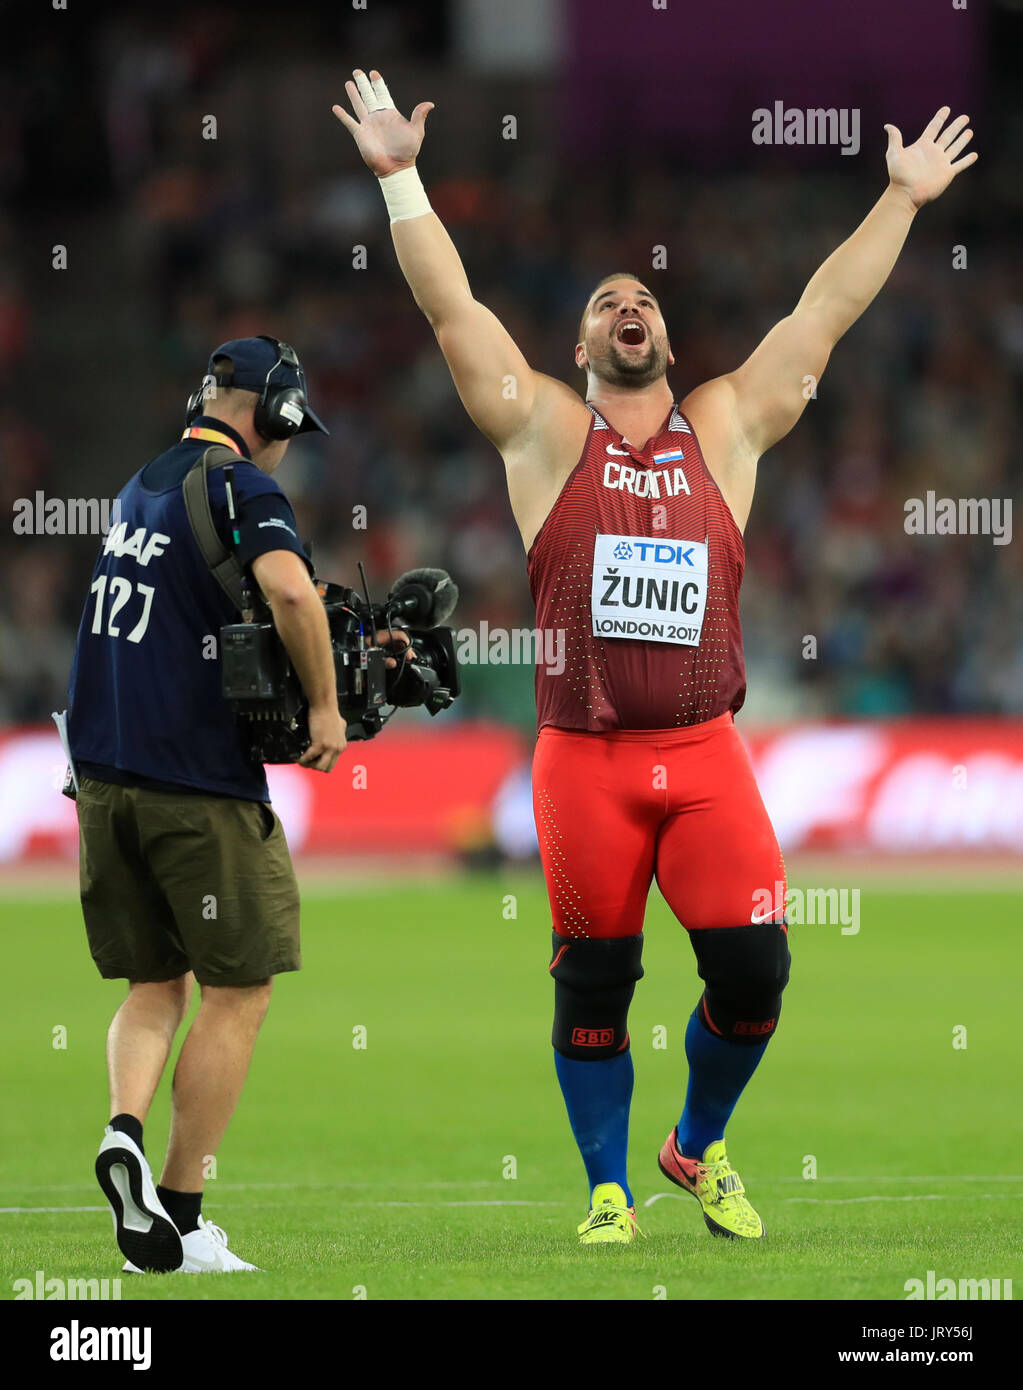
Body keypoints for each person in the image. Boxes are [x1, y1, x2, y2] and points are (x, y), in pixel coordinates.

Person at [333, 71, 976, 1243]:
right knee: (594, 991)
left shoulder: (725, 425)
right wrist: (403, 180)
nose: (628, 304)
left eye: (643, 297)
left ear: (665, 336)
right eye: (605, 300)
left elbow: (821, 316)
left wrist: (901, 200)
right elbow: (452, 313)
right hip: (584, 761)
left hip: (706, 752)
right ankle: (607, 1191)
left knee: (758, 972)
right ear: (582, 345)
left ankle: (696, 1142)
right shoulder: (541, 431)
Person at [66, 336, 349, 1273]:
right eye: (285, 426)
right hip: (197, 786)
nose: (285, 447)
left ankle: (123, 1133)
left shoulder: (141, 483)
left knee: (156, 984)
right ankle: (181, 1220)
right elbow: (289, 594)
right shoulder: (245, 489)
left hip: (103, 778)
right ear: (265, 410)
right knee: (240, 989)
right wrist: (322, 705)